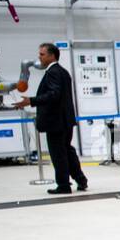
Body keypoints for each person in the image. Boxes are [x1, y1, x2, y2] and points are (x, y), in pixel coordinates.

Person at [14, 42, 86, 195]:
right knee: (67, 151)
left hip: (56, 122)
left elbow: (54, 94)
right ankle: (81, 179)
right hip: (65, 120)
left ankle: (63, 185)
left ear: (52, 55)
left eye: (42, 54)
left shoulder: (53, 72)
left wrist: (31, 100)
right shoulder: (63, 71)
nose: (39, 57)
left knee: (58, 154)